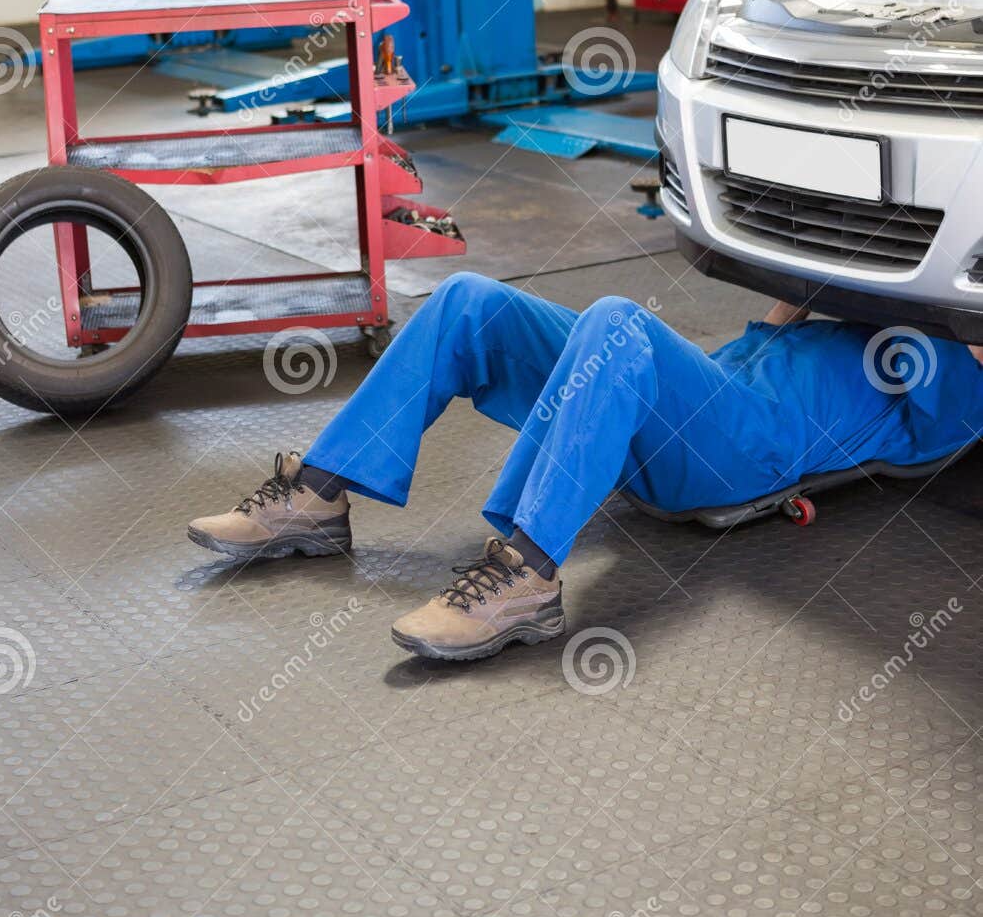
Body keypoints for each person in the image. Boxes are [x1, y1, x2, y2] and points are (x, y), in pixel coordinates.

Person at [187, 273, 983, 662]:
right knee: (470, 301)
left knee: (617, 321)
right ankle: (319, 495)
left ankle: (525, 577)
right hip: (691, 398)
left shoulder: (957, 374)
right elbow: (786, 300)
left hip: (745, 451)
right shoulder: (880, 291)